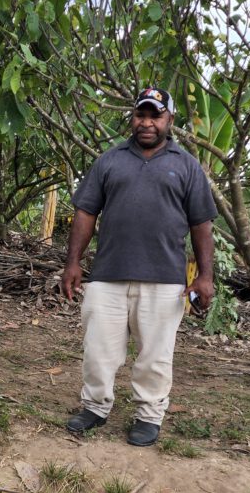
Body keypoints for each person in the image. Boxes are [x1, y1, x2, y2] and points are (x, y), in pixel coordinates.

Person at [61, 86, 217, 446]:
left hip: (164, 280)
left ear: (169, 120)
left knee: (155, 355)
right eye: (141, 115)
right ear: (133, 118)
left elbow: (201, 225)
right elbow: (85, 212)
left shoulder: (187, 166)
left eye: (155, 116)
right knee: (99, 350)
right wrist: (73, 263)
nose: (147, 123)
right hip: (107, 275)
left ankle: (148, 414)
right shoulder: (110, 160)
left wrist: (205, 276)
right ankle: (95, 407)